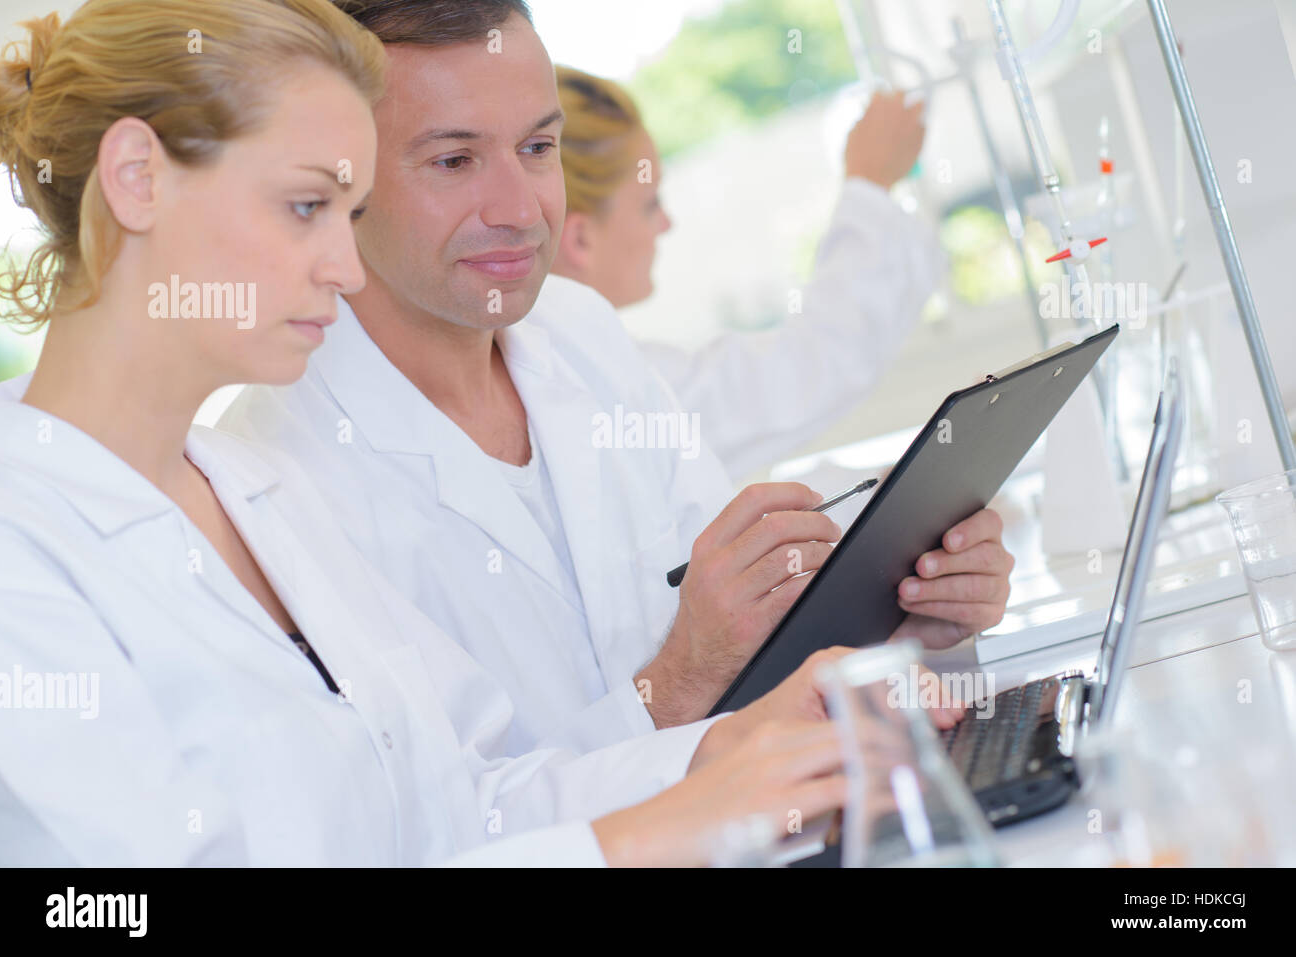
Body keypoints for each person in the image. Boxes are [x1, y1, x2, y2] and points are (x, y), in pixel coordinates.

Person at [0, 0, 868, 868]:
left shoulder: (246, 487)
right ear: (138, 179)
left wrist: (733, 749)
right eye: (306, 206)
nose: (344, 267)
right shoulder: (20, 537)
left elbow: (465, 804)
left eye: (350, 210)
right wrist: (642, 838)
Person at [219, 0, 1010, 757]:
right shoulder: (274, 480)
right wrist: (677, 678)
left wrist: (909, 633)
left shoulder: (579, 332)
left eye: (537, 148)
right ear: (336, 183)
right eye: (454, 160)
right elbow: (442, 827)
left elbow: (753, 665)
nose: (520, 208)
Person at [552, 66, 942, 479]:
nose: (666, 224)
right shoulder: (598, 386)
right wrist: (870, 183)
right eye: (650, 203)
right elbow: (805, 370)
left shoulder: (577, 366)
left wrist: (891, 495)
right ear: (580, 240)